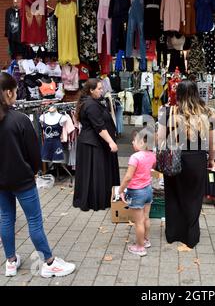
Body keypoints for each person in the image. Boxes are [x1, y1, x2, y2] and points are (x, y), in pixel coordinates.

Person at [0, 72, 76, 278]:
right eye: (15, 91)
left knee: (6, 218)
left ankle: (10, 261)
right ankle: (49, 262)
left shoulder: (16, 119)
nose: (16, 94)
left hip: (1, 181)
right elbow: (35, 152)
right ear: (8, 93)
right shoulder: (20, 119)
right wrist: (33, 171)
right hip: (22, 179)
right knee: (34, 220)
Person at [157, 80, 215, 248]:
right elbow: (213, 142)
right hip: (197, 160)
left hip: (173, 159)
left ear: (178, 94)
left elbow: (161, 138)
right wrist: (211, 159)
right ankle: (190, 235)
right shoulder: (207, 112)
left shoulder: (167, 111)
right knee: (193, 197)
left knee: (173, 195)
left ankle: (173, 233)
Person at [73, 78, 120, 211]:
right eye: (99, 89)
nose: (101, 91)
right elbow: (99, 127)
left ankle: (99, 199)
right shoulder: (91, 105)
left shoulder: (90, 102)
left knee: (95, 173)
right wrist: (111, 142)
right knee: (95, 173)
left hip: (92, 142)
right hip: (92, 144)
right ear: (91, 90)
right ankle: (95, 200)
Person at [118, 129, 156, 256]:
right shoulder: (152, 155)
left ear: (140, 142)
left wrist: (121, 189)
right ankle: (145, 240)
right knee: (146, 217)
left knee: (138, 222)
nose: (132, 143)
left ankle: (140, 247)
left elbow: (128, 177)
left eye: (133, 141)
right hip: (148, 190)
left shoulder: (135, 157)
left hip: (137, 192)